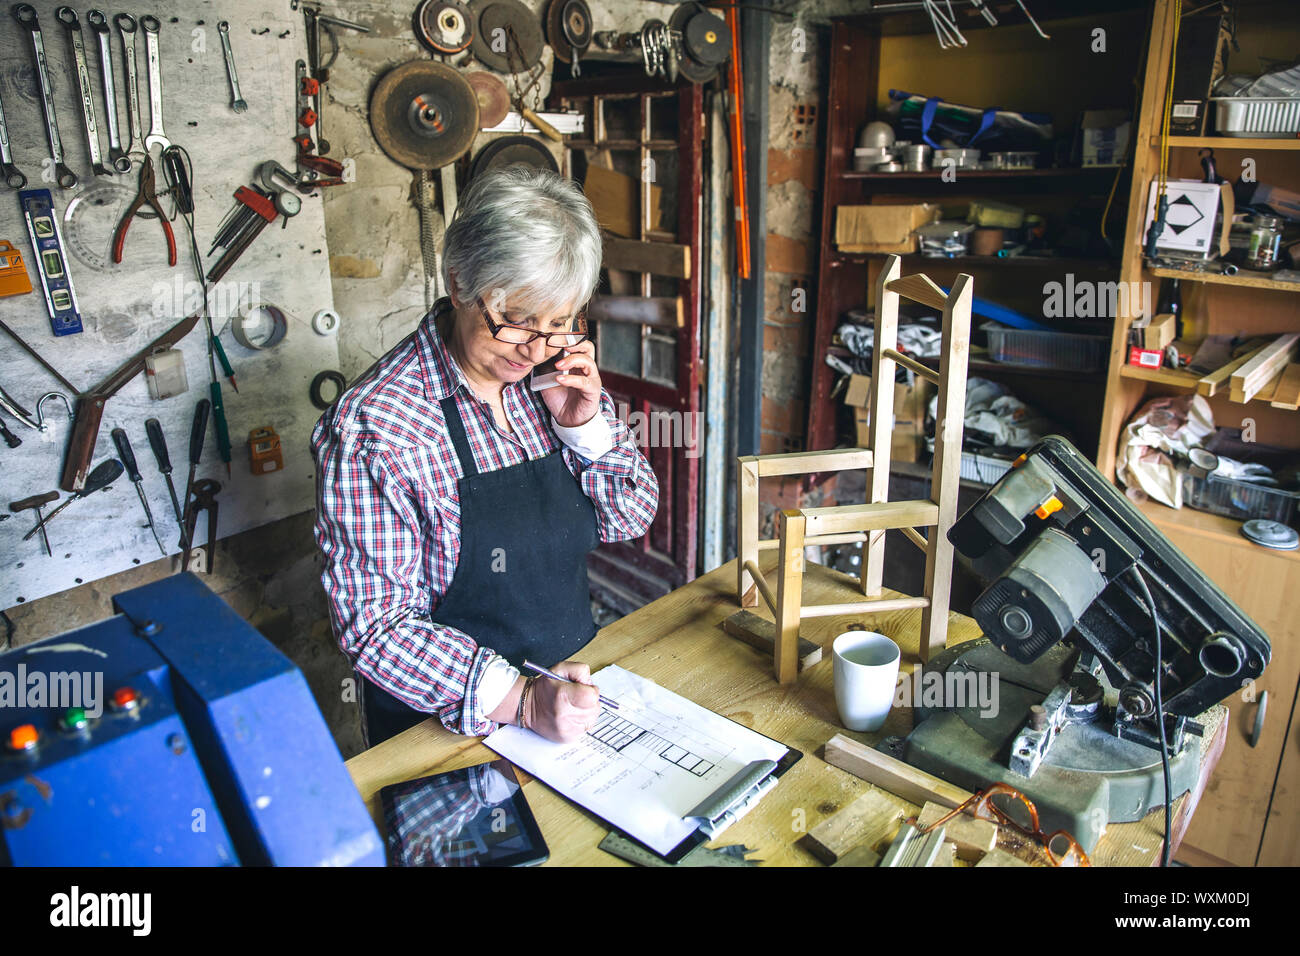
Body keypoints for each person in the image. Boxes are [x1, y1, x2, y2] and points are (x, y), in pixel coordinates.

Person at [312, 166, 660, 748]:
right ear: (458, 283)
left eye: (559, 324)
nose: (535, 348)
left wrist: (587, 429)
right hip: (444, 727)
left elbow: (629, 519)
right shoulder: (375, 427)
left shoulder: (550, 379)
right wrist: (521, 701)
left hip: (571, 688)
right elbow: (375, 627)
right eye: (516, 321)